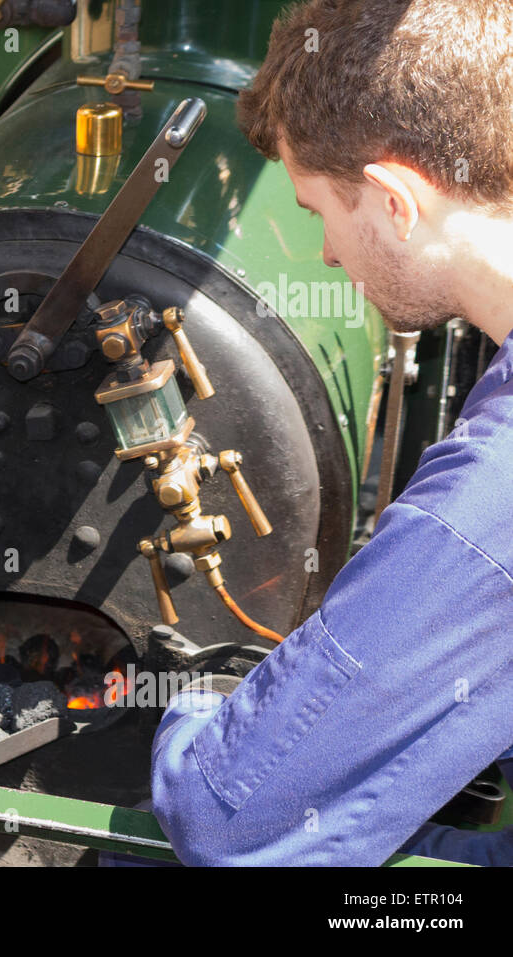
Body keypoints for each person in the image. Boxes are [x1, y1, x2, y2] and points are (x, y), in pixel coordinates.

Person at [149, 0, 513, 866]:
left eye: (317, 210)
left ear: (392, 201)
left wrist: (194, 702)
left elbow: (226, 814)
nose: (324, 255)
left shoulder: (484, 504)